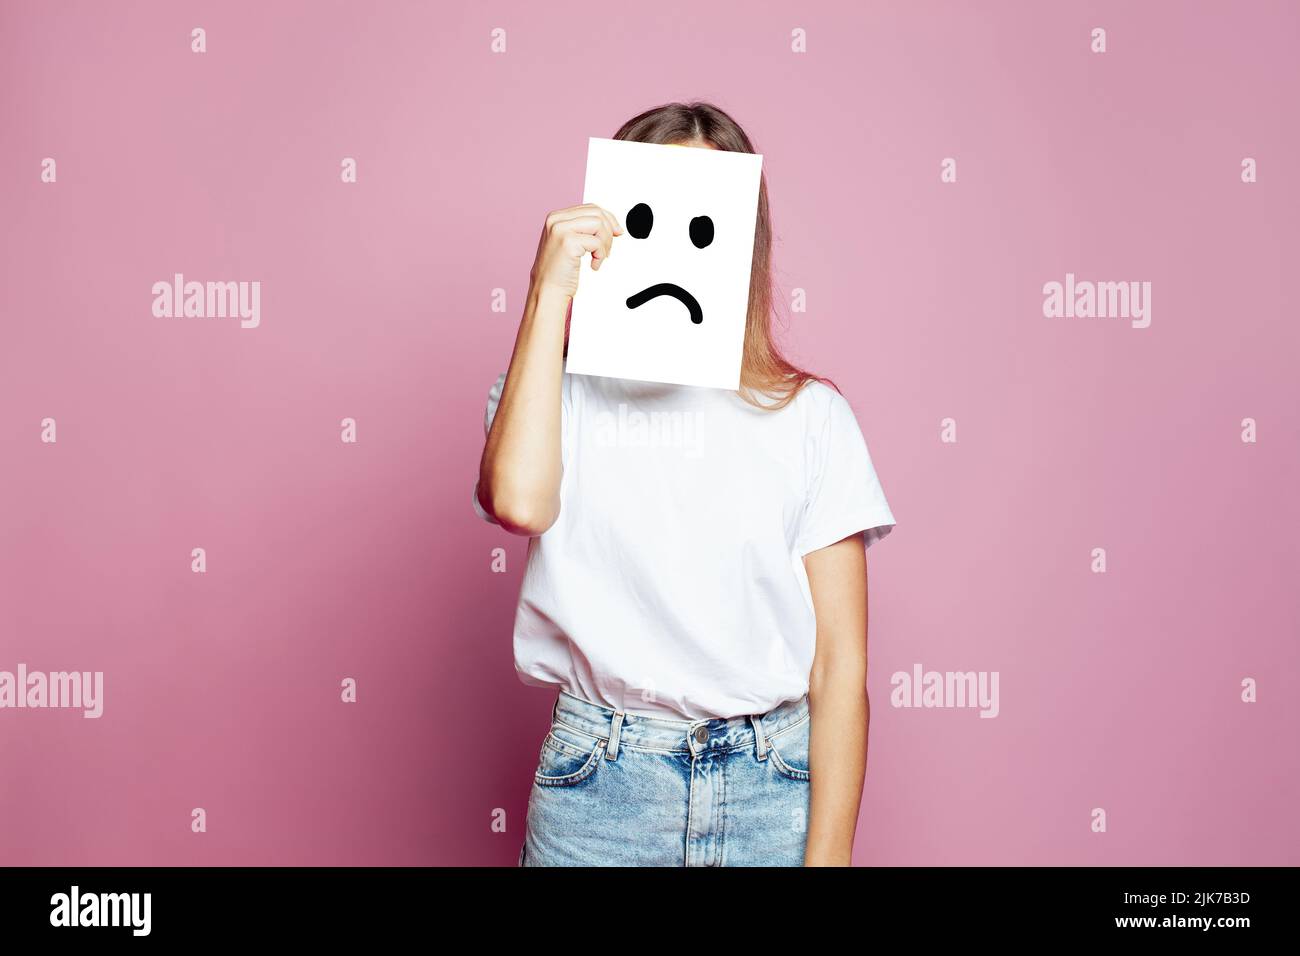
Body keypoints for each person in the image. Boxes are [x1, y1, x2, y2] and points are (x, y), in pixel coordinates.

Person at [473, 101, 895, 866]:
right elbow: (518, 501)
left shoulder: (811, 418)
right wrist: (547, 292)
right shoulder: (551, 393)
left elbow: (841, 668)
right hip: (601, 790)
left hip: (772, 790)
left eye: (704, 221)